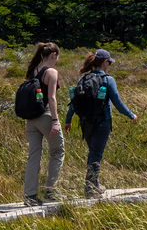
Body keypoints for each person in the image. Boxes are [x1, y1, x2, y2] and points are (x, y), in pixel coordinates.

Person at [65, 48, 137, 198]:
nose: (109, 65)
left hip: (85, 123)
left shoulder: (83, 79)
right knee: (96, 155)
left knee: (93, 152)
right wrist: (131, 115)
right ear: (104, 62)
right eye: (109, 62)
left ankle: (95, 185)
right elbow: (117, 102)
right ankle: (90, 188)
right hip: (102, 122)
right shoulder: (108, 80)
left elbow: (74, 102)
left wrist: (68, 120)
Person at [22, 42, 65, 205]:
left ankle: (30, 195)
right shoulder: (51, 72)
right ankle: (50, 190)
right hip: (45, 116)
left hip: (31, 119)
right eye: (57, 57)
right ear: (53, 55)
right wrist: (55, 121)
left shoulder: (33, 70)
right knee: (58, 151)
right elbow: (52, 98)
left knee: (34, 155)